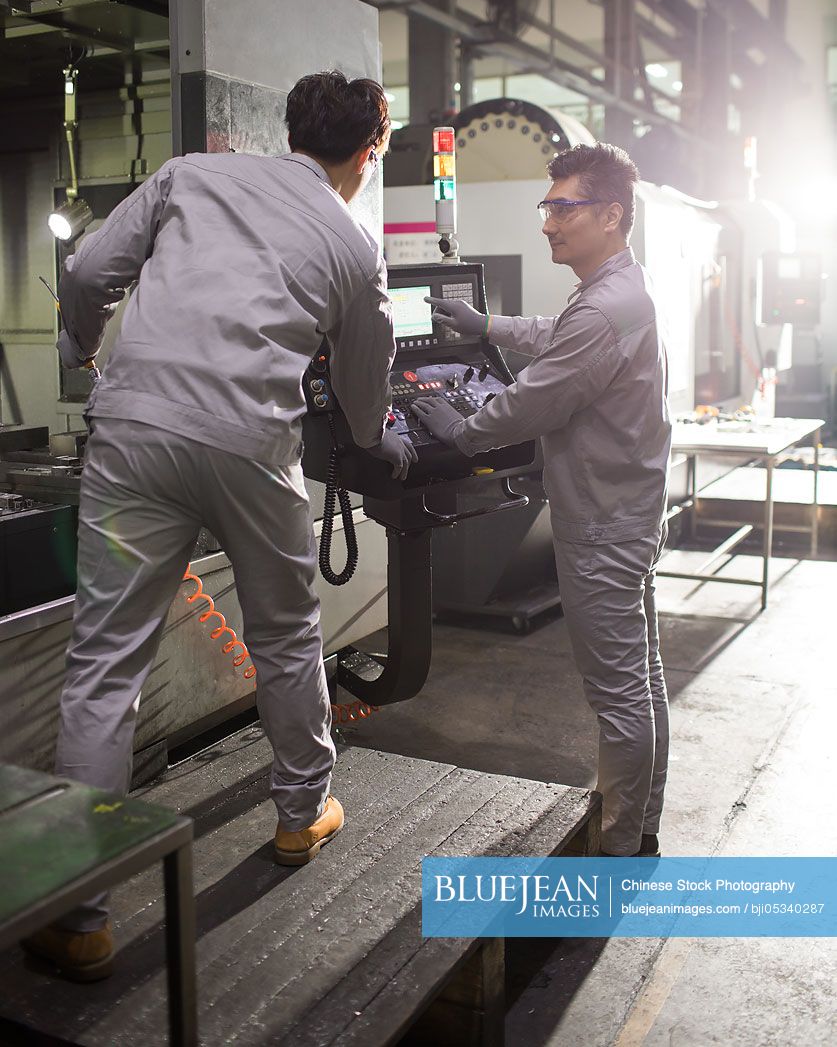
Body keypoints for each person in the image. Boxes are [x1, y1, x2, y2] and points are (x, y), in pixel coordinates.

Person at [24, 70, 415, 981]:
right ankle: (299, 812)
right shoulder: (355, 249)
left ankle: (78, 914)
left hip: (135, 432)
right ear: (373, 144)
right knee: (284, 635)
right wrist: (376, 441)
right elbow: (366, 387)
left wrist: (84, 345)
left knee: (105, 666)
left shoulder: (191, 175)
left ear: (289, 128)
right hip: (250, 446)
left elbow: (85, 269)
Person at [413, 142, 671, 858]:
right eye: (546, 206)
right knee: (641, 679)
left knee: (618, 694)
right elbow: (559, 337)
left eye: (564, 207)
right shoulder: (620, 291)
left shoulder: (603, 308)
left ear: (611, 214)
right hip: (630, 507)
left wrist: (456, 431)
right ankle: (640, 823)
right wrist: (486, 326)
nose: (548, 222)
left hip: (600, 521)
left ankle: (616, 852)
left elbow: (531, 402)